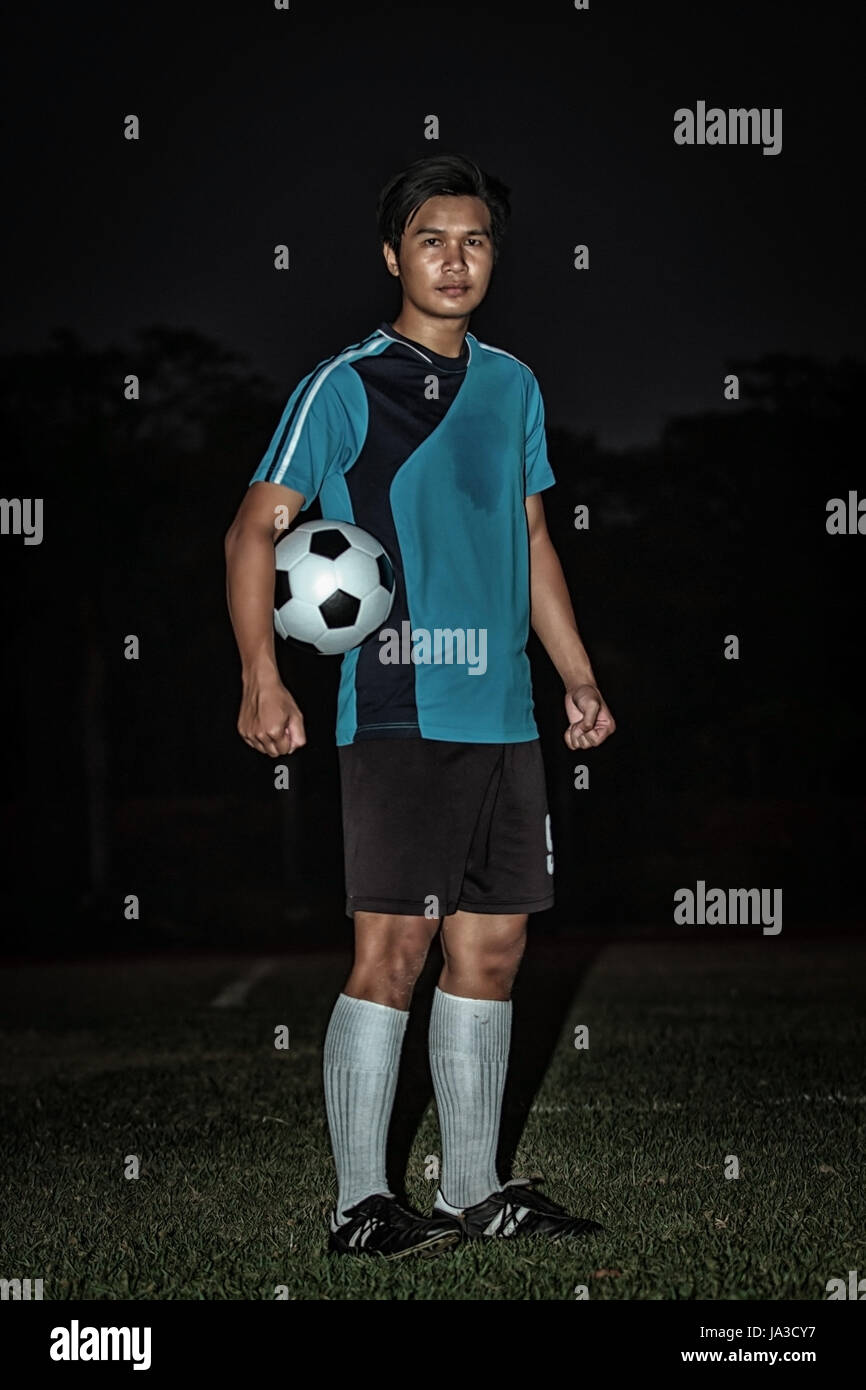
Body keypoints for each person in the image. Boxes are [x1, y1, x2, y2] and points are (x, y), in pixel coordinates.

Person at [224, 153, 616, 1258]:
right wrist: (261, 673)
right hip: (397, 712)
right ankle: (359, 1204)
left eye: (476, 240)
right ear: (393, 257)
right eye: (432, 240)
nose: (456, 260)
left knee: (489, 953)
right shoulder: (344, 384)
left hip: (503, 718)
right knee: (391, 951)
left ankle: (475, 1189)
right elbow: (254, 526)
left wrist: (576, 674)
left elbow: (531, 538)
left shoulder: (514, 384)